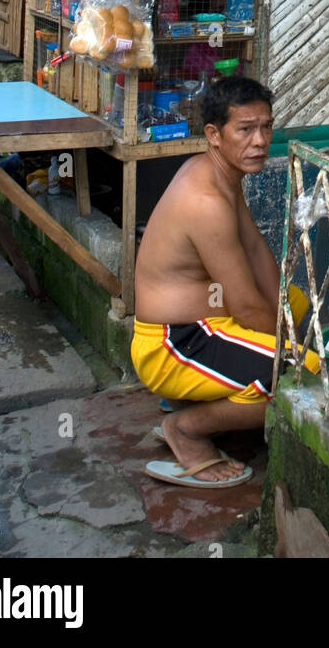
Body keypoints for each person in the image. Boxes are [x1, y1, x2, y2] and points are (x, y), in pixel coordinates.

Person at [131, 75, 319, 487]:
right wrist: (291, 347)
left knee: (296, 303)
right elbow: (247, 306)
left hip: (205, 323)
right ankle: (186, 427)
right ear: (214, 135)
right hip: (175, 342)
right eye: (245, 129)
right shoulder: (207, 202)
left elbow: (255, 253)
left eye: (266, 127)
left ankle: (200, 392)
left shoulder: (220, 174)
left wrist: (288, 323)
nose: (260, 141)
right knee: (297, 372)